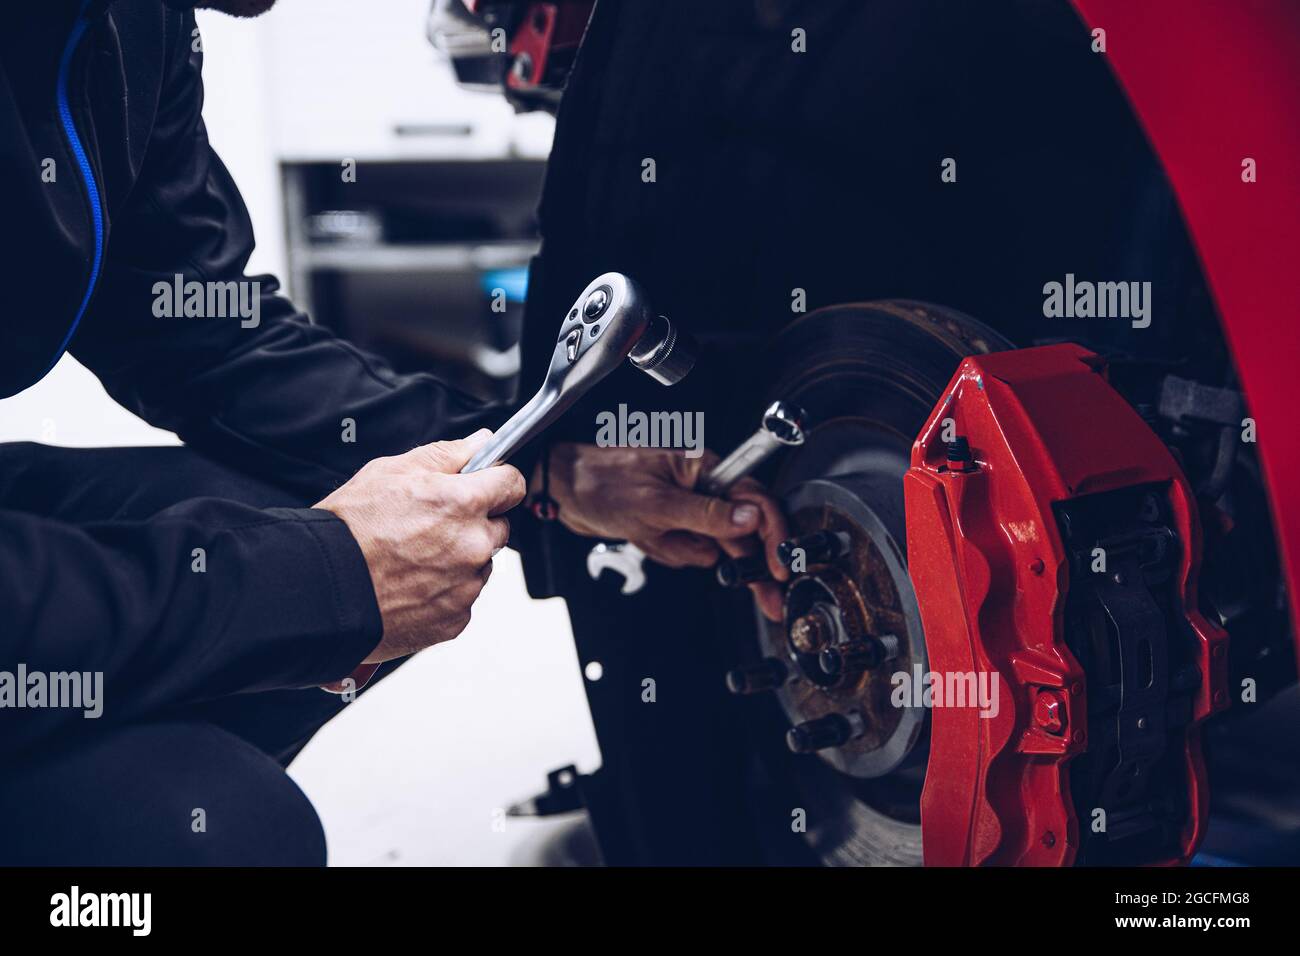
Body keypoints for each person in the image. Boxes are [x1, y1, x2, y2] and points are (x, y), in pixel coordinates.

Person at [0, 0, 785, 864]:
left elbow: (196, 330)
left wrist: (543, 471)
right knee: (228, 832)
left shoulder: (134, 25)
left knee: (374, 540)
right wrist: (326, 577)